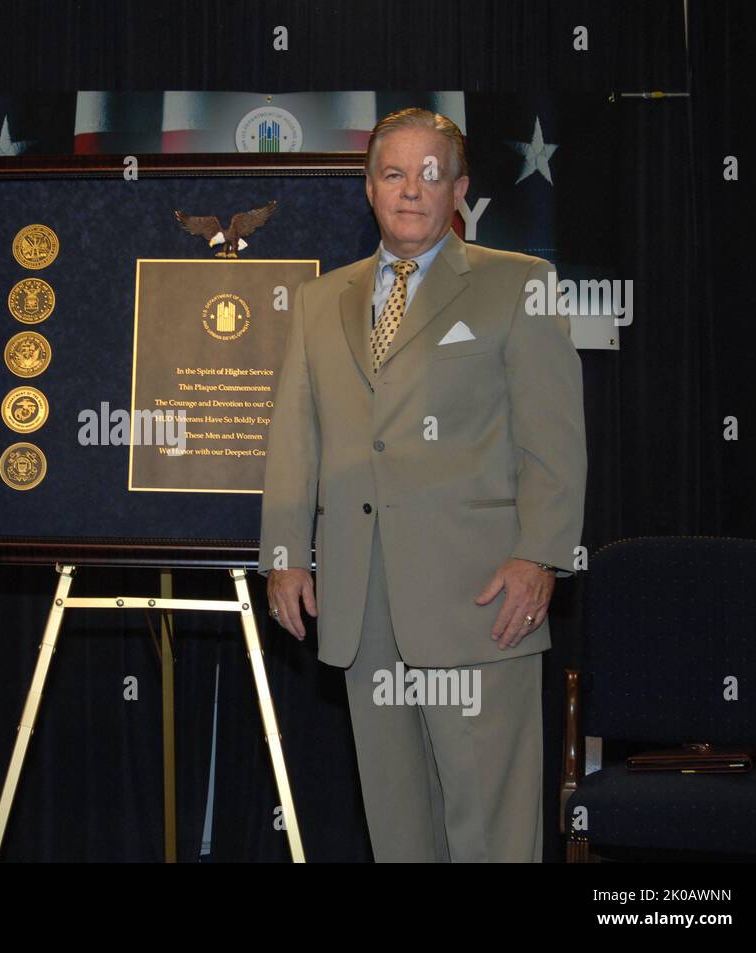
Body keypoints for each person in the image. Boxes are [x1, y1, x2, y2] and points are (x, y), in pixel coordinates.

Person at [258, 107, 585, 862]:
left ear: (460, 188)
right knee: (399, 829)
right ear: (369, 188)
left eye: (431, 173)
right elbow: (294, 437)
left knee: (490, 834)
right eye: (395, 173)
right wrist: (285, 554)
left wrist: (540, 556)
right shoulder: (318, 300)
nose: (412, 190)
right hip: (361, 603)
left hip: (482, 601)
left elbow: (554, 445)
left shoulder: (519, 285)